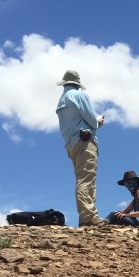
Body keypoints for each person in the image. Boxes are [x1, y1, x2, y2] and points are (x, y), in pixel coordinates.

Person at [56, 69, 105, 226]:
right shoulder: (79, 95)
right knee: (87, 179)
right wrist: (99, 121)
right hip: (84, 141)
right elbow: (92, 120)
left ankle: (87, 215)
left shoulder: (62, 100)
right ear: (77, 84)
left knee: (81, 178)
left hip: (72, 145)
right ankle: (88, 217)